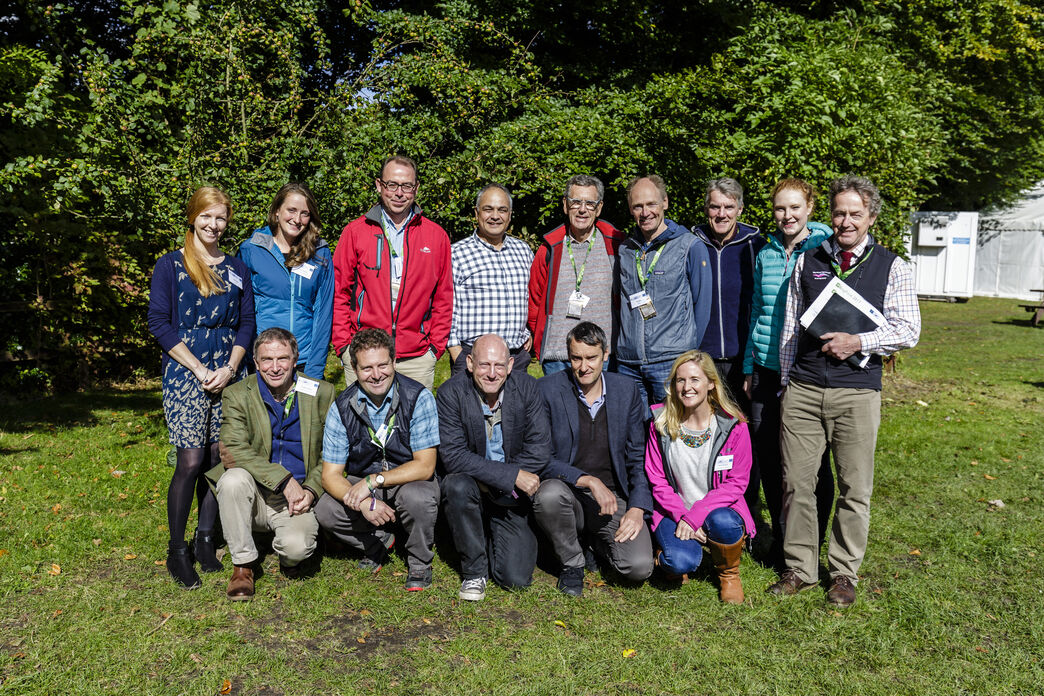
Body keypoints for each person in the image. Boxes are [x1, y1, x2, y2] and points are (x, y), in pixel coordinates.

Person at [770, 175, 920, 607]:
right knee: (797, 485)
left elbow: (909, 330)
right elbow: (789, 328)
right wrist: (785, 384)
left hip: (857, 394)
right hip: (804, 388)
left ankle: (843, 573)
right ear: (829, 215)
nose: (846, 221)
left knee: (855, 489)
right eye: (839, 212)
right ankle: (800, 567)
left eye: (855, 213)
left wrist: (859, 342)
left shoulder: (892, 266)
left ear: (871, 216)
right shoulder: (810, 259)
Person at [147, 186, 256, 589]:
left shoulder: (236, 268)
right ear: (193, 217)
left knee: (219, 460)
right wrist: (196, 368)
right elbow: (158, 322)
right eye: (207, 216)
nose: (214, 225)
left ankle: (206, 539)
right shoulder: (170, 266)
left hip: (229, 374)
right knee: (191, 462)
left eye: (221, 218)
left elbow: (247, 323)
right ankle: (178, 550)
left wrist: (230, 367)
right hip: (185, 373)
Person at [740, 178, 834, 563]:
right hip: (764, 368)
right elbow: (758, 314)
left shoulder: (825, 251)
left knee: (809, 463)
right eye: (780, 208)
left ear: (810, 208)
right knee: (768, 455)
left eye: (795, 207)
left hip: (804, 371)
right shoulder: (766, 253)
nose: (787, 215)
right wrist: (748, 365)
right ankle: (783, 538)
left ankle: (815, 538)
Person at [206, 328, 335, 600]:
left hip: (296, 499)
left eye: (283, 359)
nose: (275, 368)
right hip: (251, 494)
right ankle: (242, 564)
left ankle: (279, 544)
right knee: (232, 480)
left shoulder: (321, 393)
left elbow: (332, 452)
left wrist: (311, 490)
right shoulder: (238, 393)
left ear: (295, 360)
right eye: (267, 360)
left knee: (296, 550)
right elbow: (232, 449)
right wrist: (283, 479)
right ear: (256, 362)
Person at [533, 322, 654, 596]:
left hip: (613, 497)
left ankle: (595, 543)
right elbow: (540, 458)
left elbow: (638, 456)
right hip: (569, 492)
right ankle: (572, 564)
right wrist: (586, 480)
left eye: (591, 358)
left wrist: (637, 507)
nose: (584, 366)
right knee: (549, 495)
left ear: (606, 355)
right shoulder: (548, 390)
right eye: (576, 358)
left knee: (638, 567)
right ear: (568, 357)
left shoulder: (626, 391)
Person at [314, 328, 441, 591]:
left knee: (417, 498)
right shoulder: (341, 406)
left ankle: (419, 560)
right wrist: (363, 503)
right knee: (325, 509)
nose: (376, 375)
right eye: (367, 368)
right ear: (354, 367)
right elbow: (330, 475)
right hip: (364, 480)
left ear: (394, 362)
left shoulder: (419, 398)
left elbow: (426, 466)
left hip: (408, 479)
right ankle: (377, 542)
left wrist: (375, 481)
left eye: (383, 365)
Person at [437, 334, 551, 601]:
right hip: (473, 487)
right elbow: (453, 456)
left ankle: (488, 535)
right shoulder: (449, 394)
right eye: (484, 365)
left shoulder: (527, 388)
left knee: (515, 579)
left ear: (510, 365)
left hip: (510, 497)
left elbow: (540, 448)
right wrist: (509, 476)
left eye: (499, 365)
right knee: (456, 483)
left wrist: (502, 484)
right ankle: (474, 571)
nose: (491, 373)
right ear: (469, 363)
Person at [331, 155, 453, 389]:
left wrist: (434, 348)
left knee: (413, 424)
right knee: (361, 422)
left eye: (406, 186)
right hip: (365, 354)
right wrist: (345, 345)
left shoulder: (436, 236)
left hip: (416, 356)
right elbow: (339, 292)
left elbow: (443, 297)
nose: (399, 193)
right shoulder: (355, 232)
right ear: (379, 185)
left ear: (416, 189)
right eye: (392, 185)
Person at [644, 350, 755, 604]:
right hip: (674, 510)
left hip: (716, 510)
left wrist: (696, 516)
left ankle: (728, 575)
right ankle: (666, 553)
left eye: (695, 380)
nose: (687, 387)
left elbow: (736, 483)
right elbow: (657, 480)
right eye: (680, 380)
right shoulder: (660, 423)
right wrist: (683, 516)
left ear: (711, 384)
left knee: (724, 522)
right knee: (679, 562)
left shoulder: (734, 425)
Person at [617, 175, 713, 405]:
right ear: (631, 209)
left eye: (651, 204)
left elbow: (703, 305)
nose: (645, 212)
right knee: (633, 434)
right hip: (629, 363)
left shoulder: (689, 246)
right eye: (638, 206)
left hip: (671, 361)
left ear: (665, 203)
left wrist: (688, 355)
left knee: (670, 431)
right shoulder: (625, 249)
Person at [528, 174, 625, 375]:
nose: (582, 209)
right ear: (565, 205)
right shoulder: (549, 249)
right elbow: (534, 301)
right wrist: (541, 343)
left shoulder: (615, 246)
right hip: (557, 357)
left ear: (599, 208)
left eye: (590, 203)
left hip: (603, 358)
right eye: (575, 202)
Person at [238, 183, 334, 380]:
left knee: (306, 412)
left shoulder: (320, 253)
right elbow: (241, 310)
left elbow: (324, 314)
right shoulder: (251, 250)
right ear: (276, 212)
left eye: (304, 213)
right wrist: (248, 358)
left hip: (304, 359)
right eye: (291, 210)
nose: (297, 219)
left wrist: (315, 368)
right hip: (264, 360)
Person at [691, 177, 764, 413]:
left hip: (743, 360)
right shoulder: (690, 244)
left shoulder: (756, 245)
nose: (721, 214)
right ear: (706, 209)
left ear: (740, 210)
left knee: (745, 431)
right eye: (715, 206)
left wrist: (751, 362)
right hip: (702, 359)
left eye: (729, 207)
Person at [448, 184, 534, 375]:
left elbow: (531, 297)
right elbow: (445, 307)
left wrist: (528, 332)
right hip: (473, 358)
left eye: (502, 210)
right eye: (488, 209)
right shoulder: (457, 254)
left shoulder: (523, 251)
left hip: (516, 358)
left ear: (510, 215)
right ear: (476, 213)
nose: (495, 216)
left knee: (517, 406)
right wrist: (457, 353)